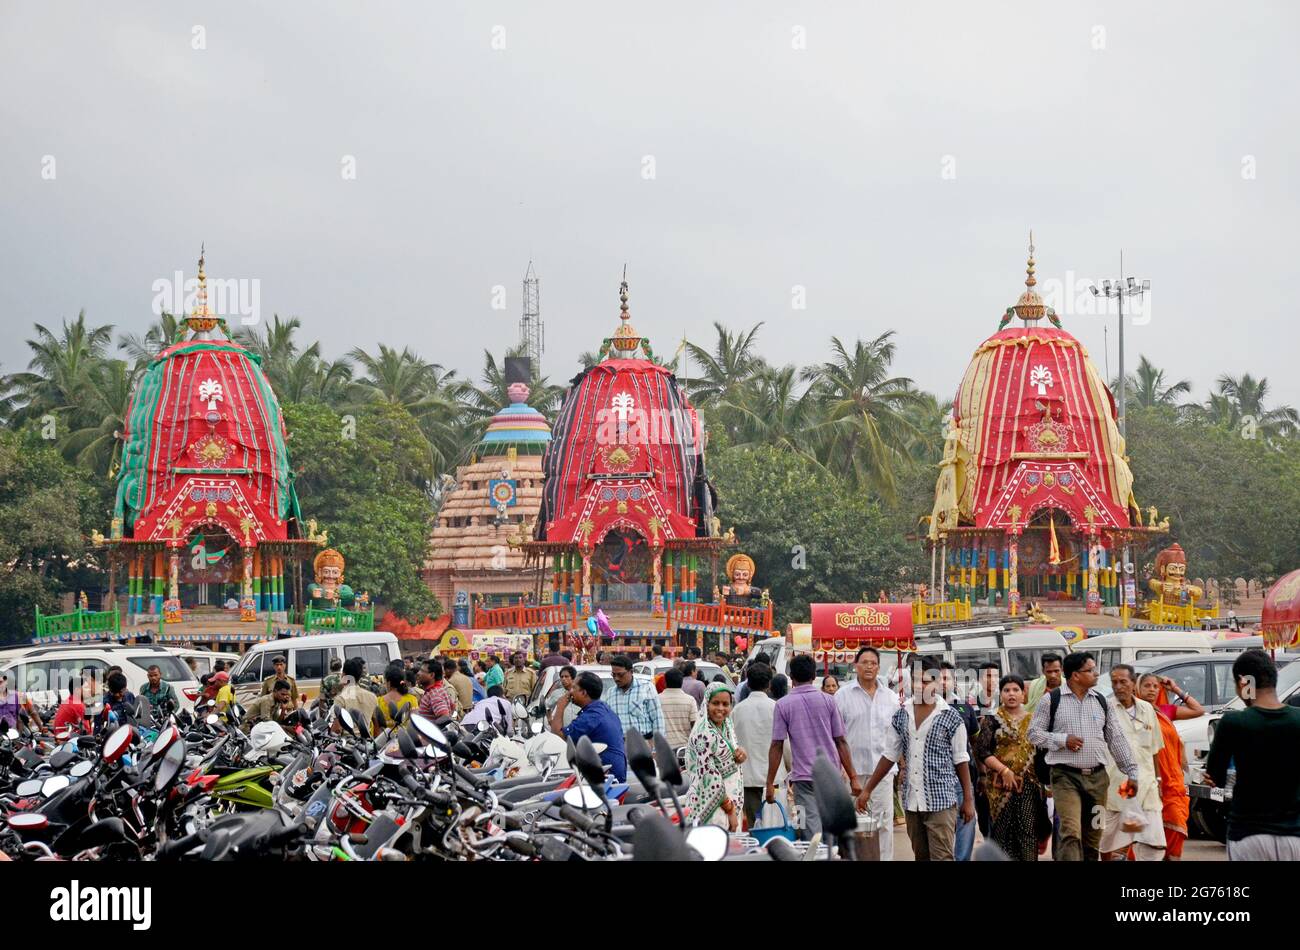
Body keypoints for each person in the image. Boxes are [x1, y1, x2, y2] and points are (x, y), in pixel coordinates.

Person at [857, 657, 975, 862]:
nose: (920, 686)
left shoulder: (951, 717)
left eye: (927, 681)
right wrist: (867, 790)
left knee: (942, 857)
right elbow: (889, 755)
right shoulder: (902, 715)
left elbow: (961, 760)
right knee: (921, 856)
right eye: (916, 680)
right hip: (912, 803)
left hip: (942, 802)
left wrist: (968, 799)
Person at [1028, 651, 1139, 861]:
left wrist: (1132, 772)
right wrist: (1063, 740)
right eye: (1090, 670)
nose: (1096, 674)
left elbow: (1116, 739)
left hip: (1098, 781)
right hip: (1065, 778)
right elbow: (1033, 734)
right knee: (1070, 831)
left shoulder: (1102, 702)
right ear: (1076, 675)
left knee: (1094, 836)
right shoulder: (1051, 700)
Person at [1204, 650, 1300, 860]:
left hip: (1247, 834)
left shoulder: (1233, 723)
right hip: (1294, 836)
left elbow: (1216, 778)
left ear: (1244, 682)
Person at [766, 654, 859, 840]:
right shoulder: (829, 701)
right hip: (831, 778)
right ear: (814, 676)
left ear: (791, 677)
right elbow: (840, 741)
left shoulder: (783, 705)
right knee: (831, 834)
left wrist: (769, 783)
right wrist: (853, 777)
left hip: (802, 782)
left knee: (808, 833)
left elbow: (777, 745)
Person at [973, 674, 1050, 861]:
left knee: (1028, 834)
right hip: (1000, 788)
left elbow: (1043, 752)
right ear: (1001, 695)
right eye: (1006, 690)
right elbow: (982, 750)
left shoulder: (1034, 720)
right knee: (1002, 834)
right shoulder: (992, 720)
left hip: (1029, 787)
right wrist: (1004, 771)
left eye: (1016, 690)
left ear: (1023, 694)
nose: (1011, 694)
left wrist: (1048, 782)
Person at [835, 647, 900, 861]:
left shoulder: (891, 698)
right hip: (851, 772)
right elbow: (835, 735)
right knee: (850, 823)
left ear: (879, 667)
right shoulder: (842, 696)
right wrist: (841, 768)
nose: (869, 666)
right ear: (856, 666)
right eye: (864, 662)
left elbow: (897, 736)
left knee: (883, 823)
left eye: (873, 663)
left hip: (882, 773)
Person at [1100, 664, 1165, 861]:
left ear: (1133, 683)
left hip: (1147, 784)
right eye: (1114, 682)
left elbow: (1154, 749)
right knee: (1105, 839)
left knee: (1153, 841)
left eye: (1123, 682)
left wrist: (1158, 780)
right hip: (1118, 784)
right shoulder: (1106, 709)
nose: (1118, 687)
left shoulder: (1147, 709)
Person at [1138, 672, 1197, 860]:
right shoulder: (1134, 713)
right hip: (1149, 781)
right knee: (1147, 839)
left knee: (1176, 825)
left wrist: (1175, 689)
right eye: (1147, 685)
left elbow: (1197, 710)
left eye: (1156, 686)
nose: (1152, 690)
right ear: (1137, 689)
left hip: (1172, 783)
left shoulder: (1165, 711)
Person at [732, 663, 790, 828]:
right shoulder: (776, 708)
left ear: (748, 684)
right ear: (769, 684)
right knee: (775, 824)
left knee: (754, 826)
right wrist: (789, 768)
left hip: (747, 777)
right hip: (775, 777)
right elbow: (785, 743)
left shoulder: (737, 710)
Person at [685, 682, 748, 831]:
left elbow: (730, 753)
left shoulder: (726, 726)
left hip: (728, 804)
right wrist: (730, 810)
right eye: (715, 703)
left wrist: (741, 754)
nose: (720, 708)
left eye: (725, 704)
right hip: (713, 808)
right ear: (707, 704)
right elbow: (709, 777)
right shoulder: (703, 733)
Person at [940, 661, 986, 861]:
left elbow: (975, 743)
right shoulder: (921, 708)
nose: (943, 682)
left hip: (963, 777)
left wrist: (982, 774)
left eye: (947, 678)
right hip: (936, 779)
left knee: (966, 821)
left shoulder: (964, 708)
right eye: (938, 678)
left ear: (954, 681)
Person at [549, 670, 627, 781]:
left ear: (584, 693)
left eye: (574, 688)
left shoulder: (592, 717)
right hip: (607, 772)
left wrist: (560, 707)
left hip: (605, 777)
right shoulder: (602, 709)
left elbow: (557, 734)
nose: (570, 692)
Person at [606, 654, 666, 738]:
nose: (616, 678)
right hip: (620, 742)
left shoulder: (646, 687)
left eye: (620, 675)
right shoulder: (611, 693)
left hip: (643, 741)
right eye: (613, 675)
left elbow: (657, 719)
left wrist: (658, 744)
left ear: (631, 671)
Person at [334, 657, 379, 734]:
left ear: (343, 675)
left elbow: (337, 730)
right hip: (366, 739)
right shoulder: (372, 697)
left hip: (347, 740)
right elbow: (377, 726)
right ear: (360, 676)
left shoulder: (341, 698)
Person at [659, 667, 698, 748]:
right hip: (684, 748)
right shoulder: (690, 700)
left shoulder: (657, 699)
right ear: (681, 682)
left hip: (663, 748)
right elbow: (695, 726)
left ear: (665, 682)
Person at [373, 665, 419, 732]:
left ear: (388, 683)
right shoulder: (412, 699)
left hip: (385, 738)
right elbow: (415, 725)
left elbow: (376, 729)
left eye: (384, 682)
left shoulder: (378, 701)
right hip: (407, 737)